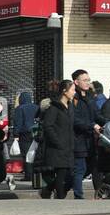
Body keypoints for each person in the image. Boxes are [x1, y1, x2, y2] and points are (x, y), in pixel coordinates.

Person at [38, 81, 76, 199]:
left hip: (68, 144)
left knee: (68, 174)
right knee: (61, 173)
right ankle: (59, 199)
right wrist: (57, 141)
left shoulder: (70, 106)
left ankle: (48, 189)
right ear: (64, 91)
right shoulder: (54, 107)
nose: (74, 92)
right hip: (58, 146)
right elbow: (48, 126)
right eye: (72, 90)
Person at [71, 69, 98, 200]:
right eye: (85, 80)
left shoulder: (89, 98)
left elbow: (97, 115)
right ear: (76, 82)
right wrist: (91, 125)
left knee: (89, 168)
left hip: (90, 140)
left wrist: (107, 124)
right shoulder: (74, 99)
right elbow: (74, 119)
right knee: (80, 168)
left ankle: (63, 185)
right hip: (78, 139)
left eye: (89, 80)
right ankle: (78, 196)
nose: (88, 83)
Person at [12, 91, 38, 176]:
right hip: (36, 132)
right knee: (35, 152)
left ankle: (28, 174)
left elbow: (18, 122)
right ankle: (35, 173)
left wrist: (15, 134)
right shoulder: (36, 107)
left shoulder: (20, 108)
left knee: (26, 153)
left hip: (24, 133)